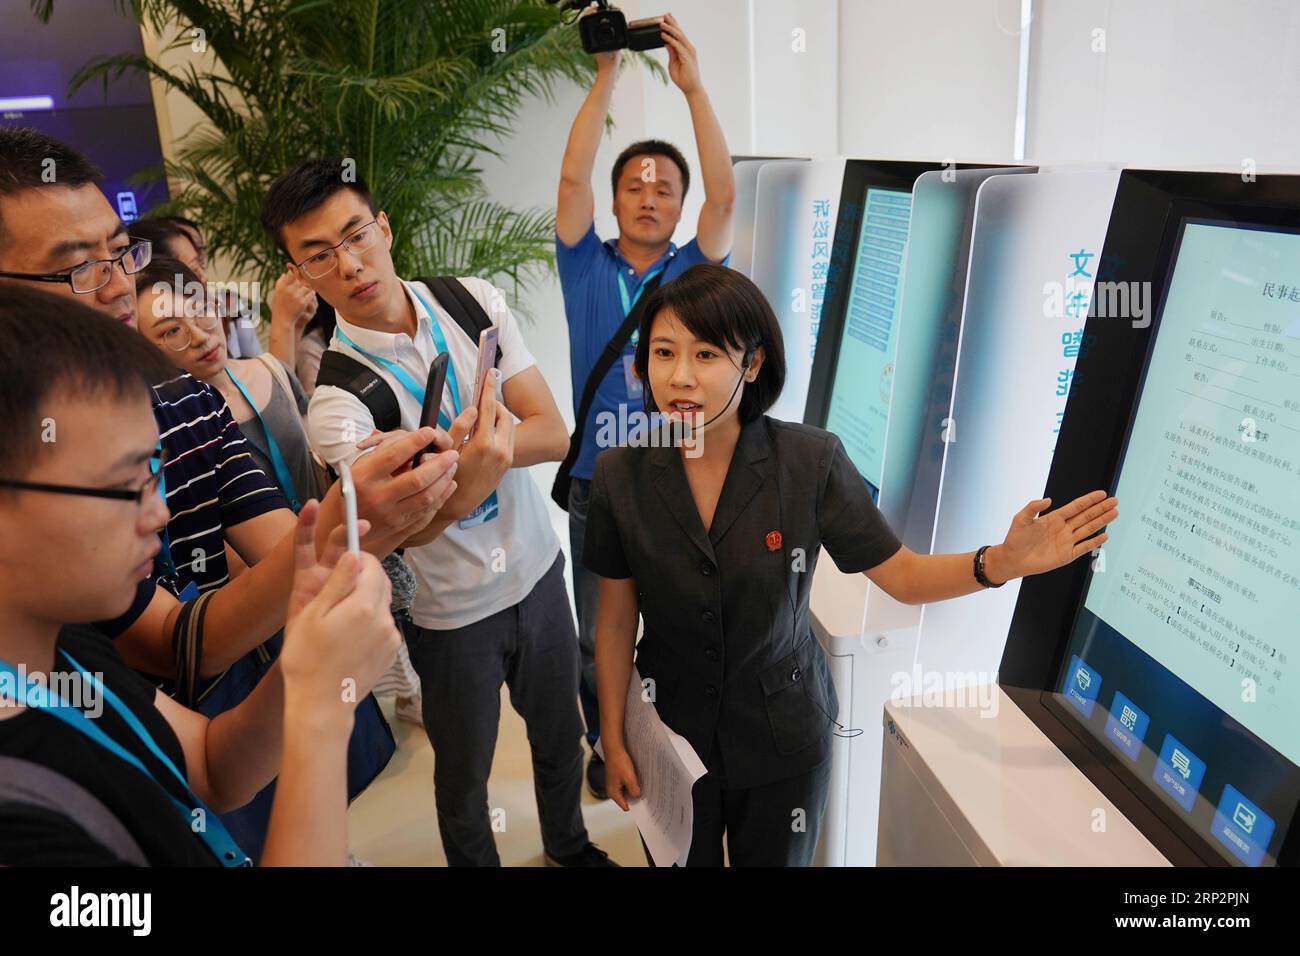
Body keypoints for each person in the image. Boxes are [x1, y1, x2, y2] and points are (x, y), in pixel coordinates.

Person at [585, 265, 1121, 866]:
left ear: (752, 364)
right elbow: (614, 618)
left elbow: (903, 576)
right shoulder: (620, 474)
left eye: (706, 354)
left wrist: (998, 563)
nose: (680, 376)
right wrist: (614, 733)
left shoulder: (808, 463)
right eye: (664, 352)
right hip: (670, 735)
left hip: (782, 736)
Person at [261, 157, 613, 866]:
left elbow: (552, 431)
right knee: (462, 776)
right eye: (319, 256)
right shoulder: (338, 404)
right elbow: (398, 532)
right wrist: (475, 468)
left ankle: (570, 850)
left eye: (356, 234)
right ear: (300, 276)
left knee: (557, 737)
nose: (350, 263)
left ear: (383, 227)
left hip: (540, 572)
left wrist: (462, 460)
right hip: (451, 616)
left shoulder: (474, 301)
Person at [0, 283, 400, 866]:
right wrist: (319, 712)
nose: (158, 512)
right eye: (123, 484)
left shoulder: (65, 649)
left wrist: (309, 667)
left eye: (153, 472)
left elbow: (216, 765)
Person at [555, 9, 736, 798]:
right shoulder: (584, 266)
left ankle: (677, 744)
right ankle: (610, 743)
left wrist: (694, 92)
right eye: (634, 185)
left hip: (684, 480)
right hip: (601, 486)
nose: (649, 196)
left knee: (679, 624)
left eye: (665, 188)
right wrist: (607, 79)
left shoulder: (695, 271)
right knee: (603, 631)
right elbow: (570, 182)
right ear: (616, 200)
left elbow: (725, 195)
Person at [135, 255, 424, 726]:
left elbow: (298, 532)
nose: (200, 333)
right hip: (234, 645)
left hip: (294, 590)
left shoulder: (221, 399)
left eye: (199, 307)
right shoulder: (170, 430)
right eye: (169, 330)